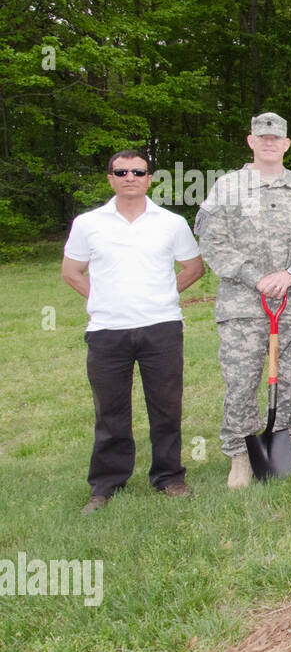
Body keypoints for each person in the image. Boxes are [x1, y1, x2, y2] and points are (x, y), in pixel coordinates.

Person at [62, 150, 205, 512]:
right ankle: (106, 485)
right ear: (110, 178)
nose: (130, 176)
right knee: (110, 411)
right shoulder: (88, 223)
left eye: (137, 171)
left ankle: (170, 477)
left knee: (166, 408)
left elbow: (193, 267)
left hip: (161, 328)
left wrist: (163, 295)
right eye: (121, 171)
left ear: (149, 178)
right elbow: (71, 271)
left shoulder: (170, 223)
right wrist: (104, 298)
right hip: (107, 331)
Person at [196, 112, 291, 488]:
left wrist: (290, 272)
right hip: (243, 304)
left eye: (277, 138)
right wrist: (256, 277)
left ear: (286, 144)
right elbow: (211, 240)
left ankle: (280, 447)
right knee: (241, 381)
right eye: (263, 137)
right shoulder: (227, 187)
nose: (270, 142)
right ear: (251, 141)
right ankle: (240, 455)